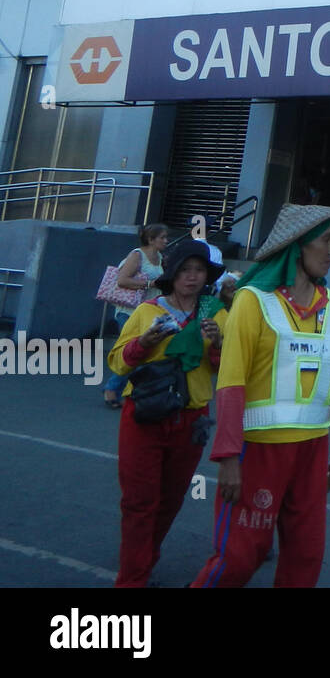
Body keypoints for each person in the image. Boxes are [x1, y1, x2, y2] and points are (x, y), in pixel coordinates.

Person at [191, 204, 330, 588]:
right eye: (327, 241)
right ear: (297, 247)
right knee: (237, 559)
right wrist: (229, 458)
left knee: (306, 557)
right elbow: (231, 383)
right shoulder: (253, 302)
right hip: (258, 452)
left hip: (311, 452)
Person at [107, 237, 225, 587]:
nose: (192, 277)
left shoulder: (216, 313)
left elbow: (230, 367)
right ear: (171, 274)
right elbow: (117, 361)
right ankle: (133, 577)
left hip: (190, 421)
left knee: (170, 501)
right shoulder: (148, 311)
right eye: (185, 270)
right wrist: (144, 343)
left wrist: (218, 343)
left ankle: (144, 556)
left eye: (199, 270)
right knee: (139, 502)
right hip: (143, 416)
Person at [103, 224, 169, 409]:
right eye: (162, 237)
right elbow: (122, 280)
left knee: (142, 353)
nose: (166, 240)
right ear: (151, 239)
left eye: (166, 237)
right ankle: (112, 389)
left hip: (148, 311)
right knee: (132, 352)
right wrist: (149, 283)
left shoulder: (160, 258)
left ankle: (124, 390)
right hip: (129, 311)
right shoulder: (137, 255)